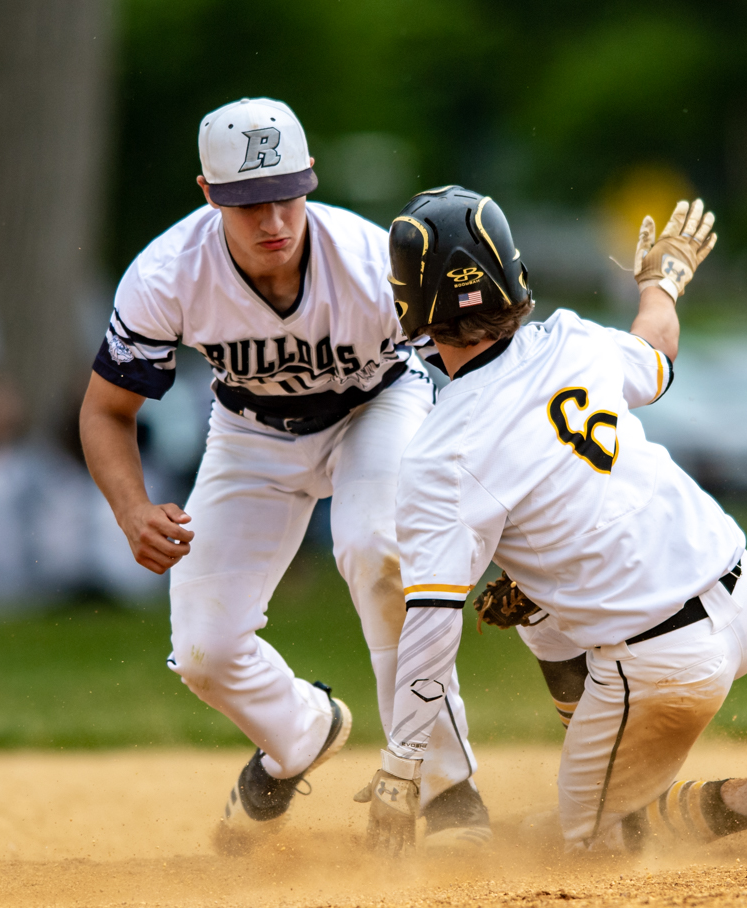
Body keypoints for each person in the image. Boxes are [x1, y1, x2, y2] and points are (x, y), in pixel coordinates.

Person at [360, 187, 747, 858]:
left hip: (665, 661)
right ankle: (611, 755)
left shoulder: (442, 448)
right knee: (530, 597)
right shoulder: (572, 339)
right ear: (511, 276)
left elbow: (432, 622)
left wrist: (402, 764)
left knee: (590, 847)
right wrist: (663, 278)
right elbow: (657, 348)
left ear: (411, 302)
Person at [78, 98, 483, 851]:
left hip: (377, 407)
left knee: (376, 548)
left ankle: (445, 782)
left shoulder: (371, 264)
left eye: (287, 193)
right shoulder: (167, 275)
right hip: (251, 432)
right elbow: (105, 410)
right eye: (247, 201)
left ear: (311, 180)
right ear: (208, 194)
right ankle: (303, 732)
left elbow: (468, 380)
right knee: (203, 650)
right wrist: (132, 509)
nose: (273, 219)